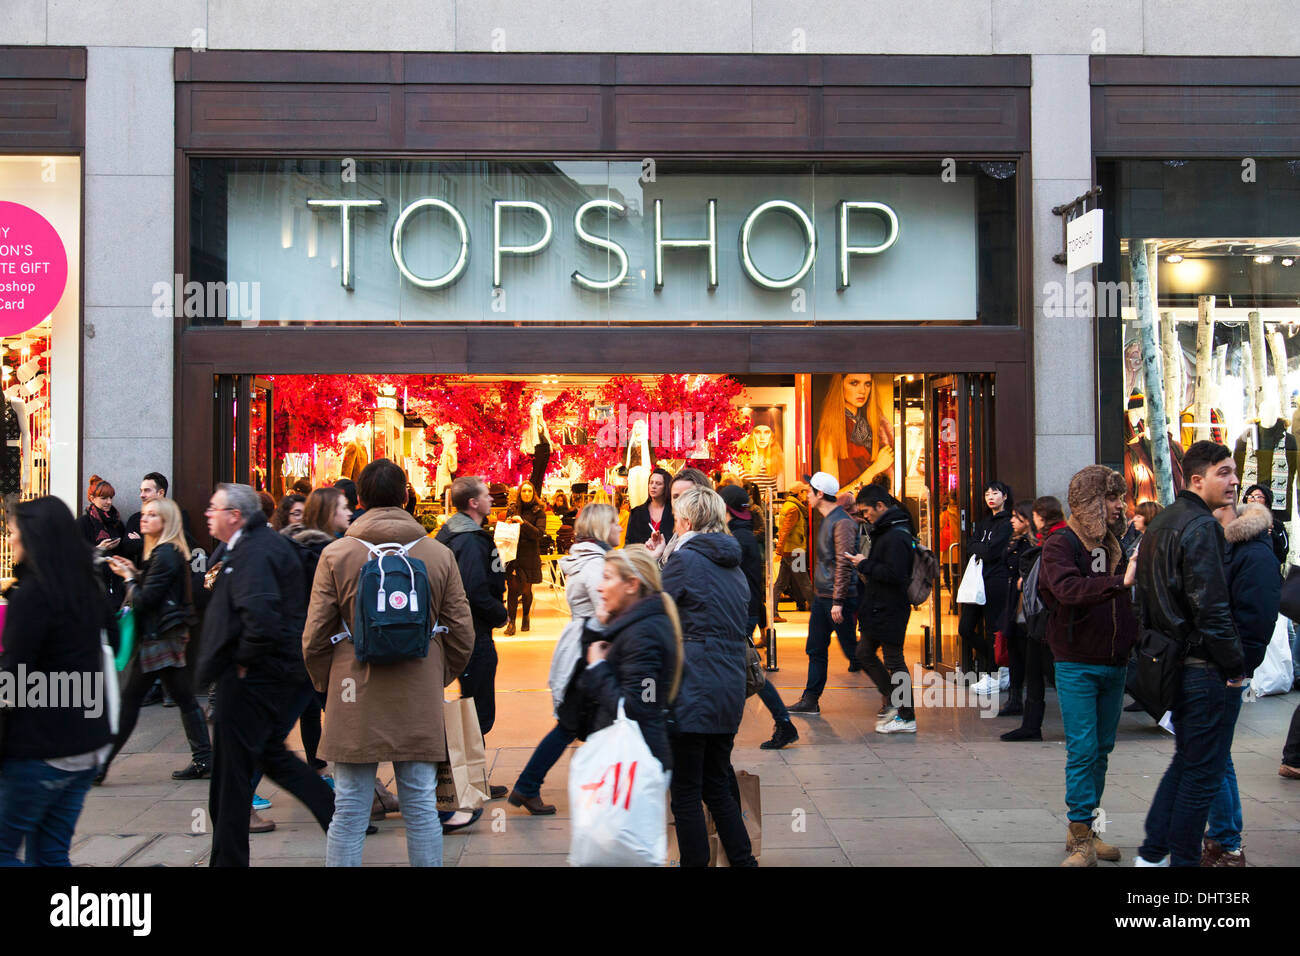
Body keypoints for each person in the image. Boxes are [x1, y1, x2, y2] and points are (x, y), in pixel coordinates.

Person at [303, 459, 475, 866]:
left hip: (353, 691)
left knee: (347, 809)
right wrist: (438, 671)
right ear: (406, 496)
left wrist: (325, 683)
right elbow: (462, 630)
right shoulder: (437, 553)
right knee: (419, 805)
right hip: (417, 689)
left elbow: (313, 636)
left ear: (358, 498)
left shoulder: (336, 553)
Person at [195, 483, 337, 867]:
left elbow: (260, 614)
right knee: (263, 760)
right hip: (258, 676)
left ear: (235, 516)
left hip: (253, 679)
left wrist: (242, 659)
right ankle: (337, 818)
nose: (208, 513)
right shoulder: (245, 546)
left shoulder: (256, 550)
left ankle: (229, 860)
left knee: (236, 774)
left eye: (215, 508)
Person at [1136, 441, 1245, 868]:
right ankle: (1178, 860)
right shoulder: (1200, 527)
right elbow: (1211, 608)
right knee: (1201, 773)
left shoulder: (1163, 521)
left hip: (1174, 662)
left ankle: (1152, 854)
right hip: (1200, 666)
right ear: (1197, 479)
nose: (1234, 480)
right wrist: (1235, 665)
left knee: (1188, 763)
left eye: (1234, 472)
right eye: (1224, 472)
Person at [0, 497, 118, 866]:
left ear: (34, 536)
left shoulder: (34, 594)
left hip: (40, 749)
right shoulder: (87, 587)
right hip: (86, 746)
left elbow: (13, 678)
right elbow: (113, 644)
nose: (10, 538)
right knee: (50, 854)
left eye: (14, 531)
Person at [1040, 465, 1137, 866]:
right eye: (1111, 498)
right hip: (1077, 661)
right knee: (1083, 749)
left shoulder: (1119, 542)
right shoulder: (1061, 543)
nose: (1120, 506)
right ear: (1090, 502)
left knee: (1102, 749)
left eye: (1120, 497)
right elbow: (1067, 589)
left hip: (1115, 661)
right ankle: (1079, 836)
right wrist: (1120, 582)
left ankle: (1088, 830)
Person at [660, 485, 756, 867]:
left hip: (692, 687)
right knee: (717, 785)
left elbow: (660, 614)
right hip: (727, 687)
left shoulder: (684, 561)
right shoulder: (732, 565)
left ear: (685, 521)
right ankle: (744, 861)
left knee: (685, 791)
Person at [509, 503, 623, 814]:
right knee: (579, 723)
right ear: (601, 527)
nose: (620, 528)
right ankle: (531, 785)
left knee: (577, 724)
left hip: (581, 643)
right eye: (615, 524)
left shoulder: (585, 557)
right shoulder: (596, 563)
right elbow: (605, 609)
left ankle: (529, 785)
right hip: (590, 648)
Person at [100, 497, 212, 783]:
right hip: (165, 636)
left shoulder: (165, 554)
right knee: (183, 698)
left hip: (160, 637)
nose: (144, 519)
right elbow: (156, 590)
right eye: (145, 514)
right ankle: (203, 759)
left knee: (131, 701)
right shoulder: (165, 552)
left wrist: (128, 577)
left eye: (152, 515)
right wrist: (135, 572)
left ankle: (99, 767)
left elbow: (145, 600)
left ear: (166, 522)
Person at [1200, 499, 1280, 866]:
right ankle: (1222, 839)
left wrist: (1239, 669)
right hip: (1217, 664)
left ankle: (1227, 843)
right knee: (1217, 755)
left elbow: (1257, 618)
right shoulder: (1228, 547)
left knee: (1211, 755)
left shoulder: (1253, 553)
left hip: (1228, 668)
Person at [435, 476, 510, 811]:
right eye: (486, 496)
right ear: (473, 503)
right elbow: (475, 589)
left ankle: (472, 778)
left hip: (458, 632)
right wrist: (500, 614)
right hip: (474, 633)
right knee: (476, 709)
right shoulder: (471, 540)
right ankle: (468, 780)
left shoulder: (450, 534)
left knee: (470, 705)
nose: (492, 499)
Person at [580, 545, 683, 773]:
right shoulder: (632, 625)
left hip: (634, 763)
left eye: (607, 578)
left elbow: (642, 704)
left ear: (632, 585)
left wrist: (598, 667)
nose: (599, 587)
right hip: (627, 757)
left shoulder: (644, 635)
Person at [279, 486, 352, 782]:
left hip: (303, 645)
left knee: (325, 714)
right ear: (328, 513)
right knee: (341, 717)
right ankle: (243, 794)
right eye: (344, 507)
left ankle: (327, 775)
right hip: (312, 648)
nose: (350, 512)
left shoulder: (292, 544)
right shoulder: (324, 551)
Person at [787, 472, 860, 716]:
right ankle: (810, 699)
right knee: (816, 648)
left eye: (810, 491)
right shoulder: (827, 519)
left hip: (837, 599)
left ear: (820, 494)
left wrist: (838, 601)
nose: (806, 495)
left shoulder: (842, 522)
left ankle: (892, 695)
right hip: (823, 597)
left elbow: (844, 563)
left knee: (855, 652)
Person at [849, 484, 917, 733]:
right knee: (864, 653)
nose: (864, 516)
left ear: (880, 506)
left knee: (894, 659)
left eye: (866, 511)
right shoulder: (885, 529)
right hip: (877, 606)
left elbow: (896, 575)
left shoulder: (897, 534)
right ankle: (894, 700)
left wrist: (864, 564)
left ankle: (906, 715)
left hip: (890, 607)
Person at [1001, 496, 1064, 742]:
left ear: (1039, 517)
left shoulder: (1055, 540)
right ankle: (1030, 724)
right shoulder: (1049, 539)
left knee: (1049, 671)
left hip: (1045, 617)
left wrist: (1027, 581)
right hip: (1040, 617)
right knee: (1036, 670)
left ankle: (1033, 725)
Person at [960, 481, 1014, 692]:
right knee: (965, 628)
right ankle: (1000, 667)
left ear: (1005, 496)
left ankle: (995, 674)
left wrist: (979, 548)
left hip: (997, 580)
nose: (991, 497)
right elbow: (970, 546)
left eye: (995, 493)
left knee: (994, 629)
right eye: (987, 494)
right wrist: (981, 548)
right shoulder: (983, 523)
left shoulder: (1008, 523)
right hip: (977, 580)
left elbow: (992, 552)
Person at [815, 373, 894, 495]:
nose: (862, 391)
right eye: (854, 383)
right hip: (850, 513)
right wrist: (875, 469)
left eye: (867, 384)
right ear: (840, 385)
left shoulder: (877, 426)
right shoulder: (832, 431)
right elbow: (831, 499)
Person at [996, 500, 1038, 718]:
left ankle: (1024, 699)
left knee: (1026, 653)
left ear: (1027, 520)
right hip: (1012, 600)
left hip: (1025, 604)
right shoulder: (1015, 540)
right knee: (1014, 651)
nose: (1011, 520)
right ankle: (1014, 698)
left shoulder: (1031, 545)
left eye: (1016, 517)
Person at [77, 475, 129, 608]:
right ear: (92, 498)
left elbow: (125, 554)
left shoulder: (117, 523)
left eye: (111, 498)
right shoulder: (83, 523)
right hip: (92, 589)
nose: (109, 502)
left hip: (116, 587)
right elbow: (75, 557)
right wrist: (99, 549)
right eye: (104, 498)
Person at [645, 467, 713, 568]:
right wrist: (657, 556)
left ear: (704, 498)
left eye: (687, 495)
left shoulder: (702, 546)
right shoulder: (677, 540)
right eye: (676, 496)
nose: (680, 502)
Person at [503, 481, 547, 635]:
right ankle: (511, 623)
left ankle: (526, 616)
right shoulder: (513, 510)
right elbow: (506, 533)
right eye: (524, 491)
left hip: (530, 555)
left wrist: (523, 523)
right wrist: (508, 524)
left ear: (533, 493)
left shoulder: (539, 512)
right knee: (513, 589)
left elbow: (539, 534)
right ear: (520, 493)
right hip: (513, 555)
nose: (526, 494)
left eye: (529, 491)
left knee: (526, 590)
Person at [772, 481, 812, 621]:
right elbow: (785, 530)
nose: (806, 496)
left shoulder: (789, 505)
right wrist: (779, 549)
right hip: (795, 552)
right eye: (804, 492)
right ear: (799, 493)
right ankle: (819, 612)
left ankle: (773, 612)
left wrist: (781, 550)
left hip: (790, 551)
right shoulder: (794, 508)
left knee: (781, 583)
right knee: (804, 582)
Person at [624, 466, 674, 546]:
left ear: (666, 487)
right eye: (651, 482)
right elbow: (629, 542)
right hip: (641, 557)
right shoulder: (637, 512)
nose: (653, 486)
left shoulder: (674, 512)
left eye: (658, 483)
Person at [1241, 483, 1289, 565]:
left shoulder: (1277, 526)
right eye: (1250, 495)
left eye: (1258, 496)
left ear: (1267, 502)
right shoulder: (1237, 522)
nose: (1252, 499)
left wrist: (1272, 534)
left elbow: (1282, 555)